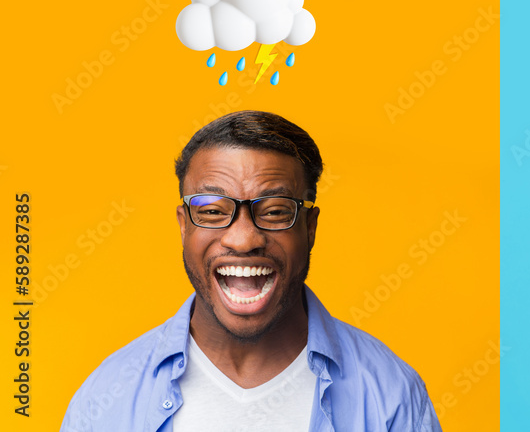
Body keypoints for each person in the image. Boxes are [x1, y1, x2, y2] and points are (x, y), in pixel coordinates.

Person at [61, 110, 442, 432]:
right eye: (212, 211)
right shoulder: (106, 399)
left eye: (275, 210)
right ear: (183, 225)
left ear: (309, 228)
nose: (243, 239)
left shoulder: (392, 395)